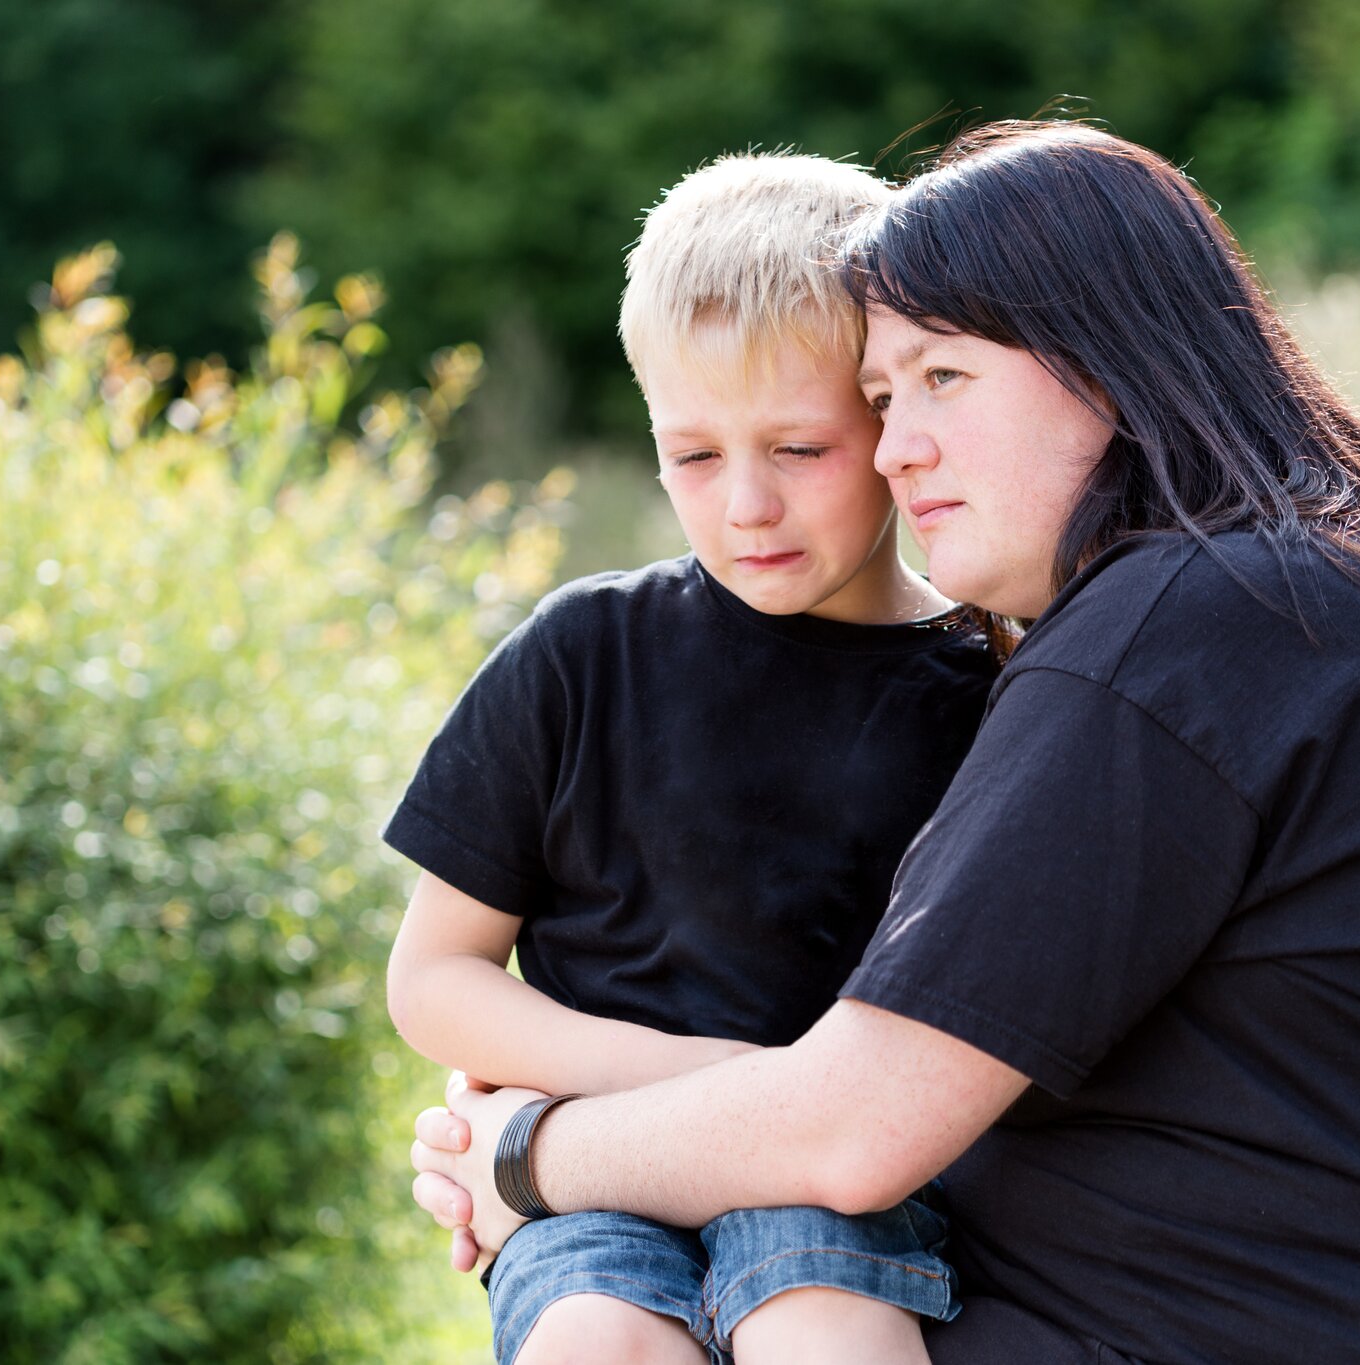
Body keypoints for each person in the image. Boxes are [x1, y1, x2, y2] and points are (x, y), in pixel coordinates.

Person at [409, 121, 1360, 1364]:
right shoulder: (1331, 589)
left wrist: (522, 1156)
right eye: (881, 395)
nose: (898, 449)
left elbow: (852, 1128)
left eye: (941, 379)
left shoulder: (1188, 631)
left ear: (1110, 360)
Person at [382, 153, 999, 1365]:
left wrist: (789, 1111)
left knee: (826, 1336)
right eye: (694, 455)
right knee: (594, 1342)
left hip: (841, 1186)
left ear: (888, 423)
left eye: (799, 450)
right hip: (593, 1165)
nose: (745, 506)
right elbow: (435, 977)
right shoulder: (580, 654)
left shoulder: (989, 685)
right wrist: (685, 1076)